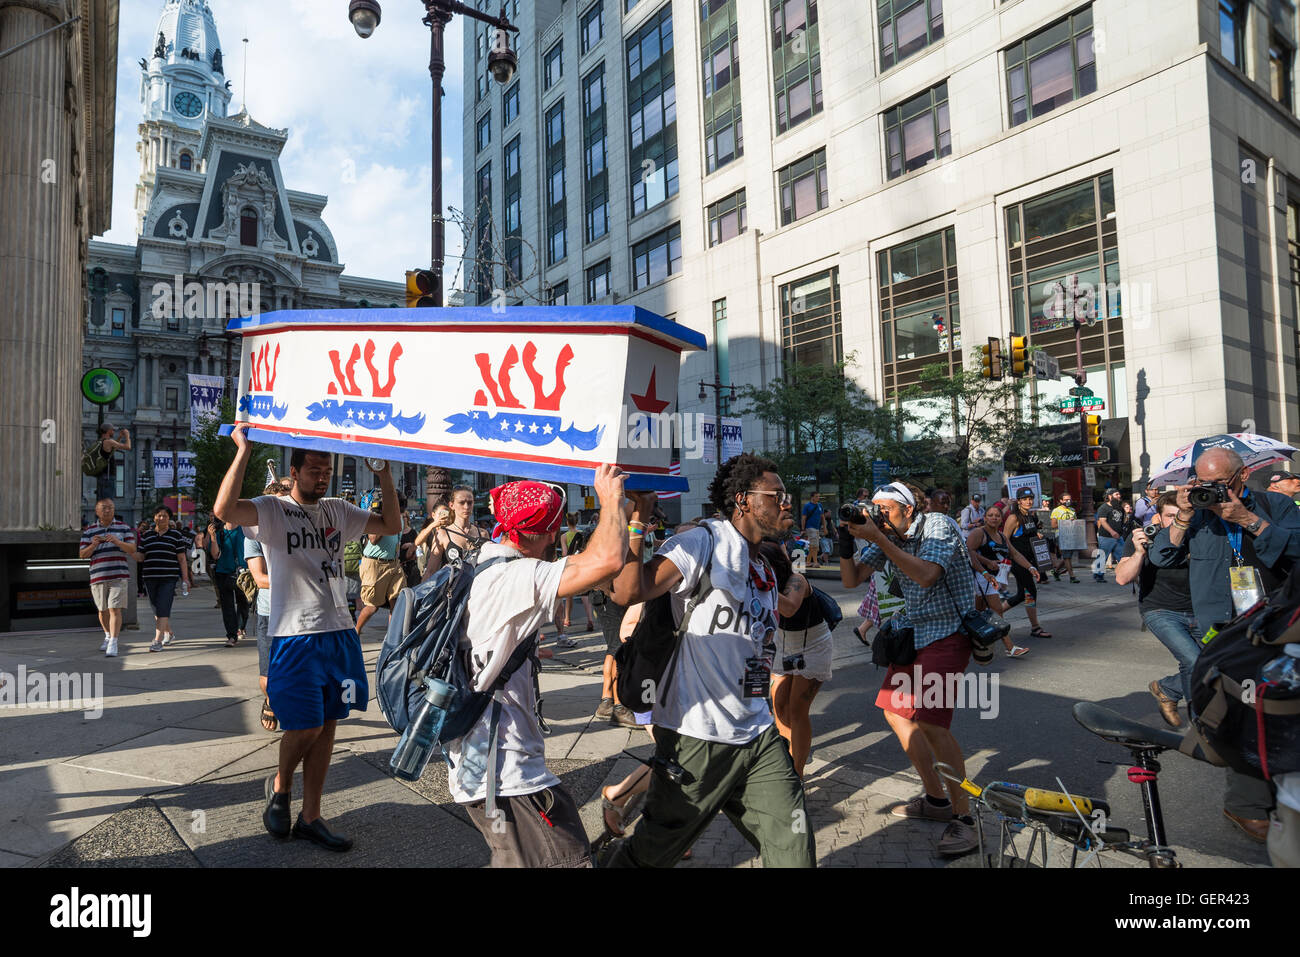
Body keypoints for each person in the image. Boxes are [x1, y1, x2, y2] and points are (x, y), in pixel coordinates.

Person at [604, 453, 816, 868]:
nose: (787, 502)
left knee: (795, 850)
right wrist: (637, 519)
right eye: (777, 495)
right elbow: (629, 590)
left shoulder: (766, 570)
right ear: (743, 500)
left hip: (757, 735)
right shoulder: (702, 542)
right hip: (695, 737)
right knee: (650, 853)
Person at [216, 425, 399, 852]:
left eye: (327, 470)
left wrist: (385, 474)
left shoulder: (338, 510)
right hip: (293, 635)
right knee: (307, 723)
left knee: (330, 724)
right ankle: (281, 787)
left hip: (338, 632)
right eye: (313, 469)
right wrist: (243, 450)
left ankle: (311, 815)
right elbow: (225, 510)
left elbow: (391, 522)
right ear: (293, 471)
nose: (322, 476)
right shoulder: (273, 510)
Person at [445, 466, 630, 867]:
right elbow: (607, 560)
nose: (558, 540)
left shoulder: (485, 564)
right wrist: (610, 497)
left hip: (489, 768)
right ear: (543, 533)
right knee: (569, 861)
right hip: (506, 774)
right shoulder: (517, 574)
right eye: (555, 530)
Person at [1148, 445, 1300, 844]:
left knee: (1278, 704)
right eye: (1200, 482)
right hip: (1220, 624)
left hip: (1273, 620)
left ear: (1242, 477)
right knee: (1242, 706)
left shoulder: (1275, 505)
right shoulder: (1195, 513)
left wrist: (1248, 520)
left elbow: (1297, 549)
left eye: (1217, 483)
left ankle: (1271, 791)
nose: (1208, 491)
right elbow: (1162, 557)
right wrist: (1182, 514)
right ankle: (1246, 803)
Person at [838, 480, 980, 857]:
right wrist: (847, 540)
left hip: (949, 631)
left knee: (932, 722)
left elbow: (927, 575)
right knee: (895, 712)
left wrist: (879, 537)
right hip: (915, 631)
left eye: (887, 510)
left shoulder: (936, 525)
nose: (879, 516)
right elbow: (852, 579)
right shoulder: (886, 535)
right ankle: (936, 800)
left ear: (909, 510)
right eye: (875, 509)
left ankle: (965, 819)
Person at [1114, 491, 1198, 729]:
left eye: (1181, 515)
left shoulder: (1197, 536)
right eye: (1171, 516)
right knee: (1193, 660)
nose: (1176, 521)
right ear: (1158, 518)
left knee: (1214, 663)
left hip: (1199, 611)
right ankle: (1201, 727)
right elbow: (1122, 578)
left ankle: (1168, 688)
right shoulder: (1147, 538)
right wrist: (1139, 552)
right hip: (1160, 610)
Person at [757, 540, 829, 777]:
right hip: (783, 644)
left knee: (798, 710)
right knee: (779, 706)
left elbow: (788, 608)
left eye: (758, 563)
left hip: (813, 646)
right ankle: (790, 755)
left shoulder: (796, 580)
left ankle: (796, 774)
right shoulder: (765, 582)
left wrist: (760, 582)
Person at [245, 478, 288, 732]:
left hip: (300, 612)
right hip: (270, 612)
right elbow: (260, 579)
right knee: (268, 678)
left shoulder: (302, 527)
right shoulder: (253, 531)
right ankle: (271, 698)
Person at [965, 505, 1031, 657]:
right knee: (994, 611)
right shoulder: (978, 533)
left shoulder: (1002, 536)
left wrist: (1031, 567)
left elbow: (1015, 554)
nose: (994, 518)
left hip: (990, 579)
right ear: (985, 518)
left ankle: (972, 643)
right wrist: (986, 564)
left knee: (980, 613)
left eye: (997, 515)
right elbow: (969, 551)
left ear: (1001, 519)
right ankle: (1010, 647)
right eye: (990, 515)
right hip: (978, 577)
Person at [79, 497, 138, 657]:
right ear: (97, 511)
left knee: (114, 608)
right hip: (98, 575)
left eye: (111, 507)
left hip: (119, 574)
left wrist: (118, 542)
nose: (108, 510)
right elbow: (82, 554)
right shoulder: (89, 531)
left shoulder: (124, 528)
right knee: (102, 609)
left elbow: (132, 548)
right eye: (104, 508)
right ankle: (107, 635)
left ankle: (114, 641)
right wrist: (93, 544)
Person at [136, 506, 191, 652]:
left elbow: (182, 559)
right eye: (159, 515)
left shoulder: (176, 535)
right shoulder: (146, 536)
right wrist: (126, 548)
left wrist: (185, 578)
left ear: (169, 519)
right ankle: (169, 633)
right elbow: (140, 556)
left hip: (168, 578)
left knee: (163, 608)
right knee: (157, 610)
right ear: (154, 517)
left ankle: (157, 641)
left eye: (165, 516)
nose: (161, 518)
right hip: (150, 577)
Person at [355, 491, 408, 636]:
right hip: (374, 564)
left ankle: (392, 638)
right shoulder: (378, 518)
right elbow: (373, 539)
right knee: (372, 606)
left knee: (397, 604)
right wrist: (382, 517)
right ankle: (356, 632)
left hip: (393, 563)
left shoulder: (400, 517)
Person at [1002, 488, 1052, 638]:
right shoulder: (1013, 518)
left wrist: (1038, 534)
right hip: (1018, 561)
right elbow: (1005, 539)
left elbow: (1029, 535)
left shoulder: (1030, 516)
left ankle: (993, 613)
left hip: (1029, 560)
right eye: (1025, 499)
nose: (1028, 501)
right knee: (1030, 592)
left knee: (1020, 595)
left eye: (1030, 498)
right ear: (1019, 501)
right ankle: (1035, 627)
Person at [419, 484, 486, 576]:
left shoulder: (483, 534)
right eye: (461, 503)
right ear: (451, 505)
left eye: (470, 502)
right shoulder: (443, 534)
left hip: (478, 587)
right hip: (453, 588)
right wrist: (422, 589)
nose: (466, 507)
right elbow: (431, 570)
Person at [209, 516, 249, 647]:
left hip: (242, 574)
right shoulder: (220, 532)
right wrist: (213, 538)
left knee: (243, 603)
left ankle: (241, 626)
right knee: (227, 606)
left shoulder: (246, 530)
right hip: (223, 572)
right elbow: (215, 555)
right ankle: (232, 636)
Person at [558, 514, 595, 639]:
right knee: (585, 594)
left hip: (570, 565)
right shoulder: (582, 534)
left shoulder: (564, 536)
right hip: (583, 564)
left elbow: (564, 553)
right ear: (577, 521)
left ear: (567, 522)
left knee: (569, 594)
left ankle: (567, 619)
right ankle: (590, 619)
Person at [1092, 488, 1126, 581]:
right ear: (1109, 496)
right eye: (1116, 494)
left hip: (1118, 537)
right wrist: (1112, 532)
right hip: (1106, 536)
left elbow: (1122, 521)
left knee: (1123, 556)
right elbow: (1102, 521)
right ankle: (1099, 575)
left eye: (1119, 494)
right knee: (1103, 556)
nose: (1119, 496)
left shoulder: (1120, 508)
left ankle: (1125, 575)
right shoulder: (1103, 507)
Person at [1049, 493, 1083, 582]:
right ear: (1061, 501)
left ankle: (1056, 571)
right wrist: (1065, 522)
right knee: (1067, 556)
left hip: (1071, 535)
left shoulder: (1072, 510)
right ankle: (1072, 576)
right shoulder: (1056, 510)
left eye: (1069, 499)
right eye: (1066, 500)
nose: (1068, 501)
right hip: (1060, 535)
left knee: (1067, 556)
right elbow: (1053, 525)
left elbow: (1076, 523)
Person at [92, 423, 131, 501]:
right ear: (109, 431)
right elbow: (128, 447)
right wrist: (127, 435)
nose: (114, 432)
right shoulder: (108, 441)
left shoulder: (101, 441)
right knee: (108, 503)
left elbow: (113, 449)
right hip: (108, 478)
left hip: (103, 477)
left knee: (103, 502)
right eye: (113, 430)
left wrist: (120, 437)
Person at [801, 491, 826, 568]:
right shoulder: (807, 506)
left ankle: (808, 562)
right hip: (810, 527)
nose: (818, 498)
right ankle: (815, 562)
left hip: (817, 528)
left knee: (813, 546)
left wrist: (824, 527)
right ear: (812, 497)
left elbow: (822, 517)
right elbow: (804, 518)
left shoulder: (819, 505)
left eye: (819, 496)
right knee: (814, 545)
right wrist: (803, 528)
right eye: (817, 496)